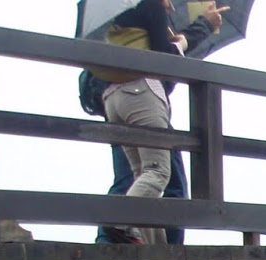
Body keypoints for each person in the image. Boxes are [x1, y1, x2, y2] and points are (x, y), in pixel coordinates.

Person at [96, 0, 226, 245]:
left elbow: (152, 47)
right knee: (158, 172)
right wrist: (194, 33)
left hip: (114, 97)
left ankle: (152, 244)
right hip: (141, 92)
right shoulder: (151, 4)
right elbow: (163, 59)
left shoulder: (120, 12)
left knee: (140, 175)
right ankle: (117, 222)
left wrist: (174, 38)